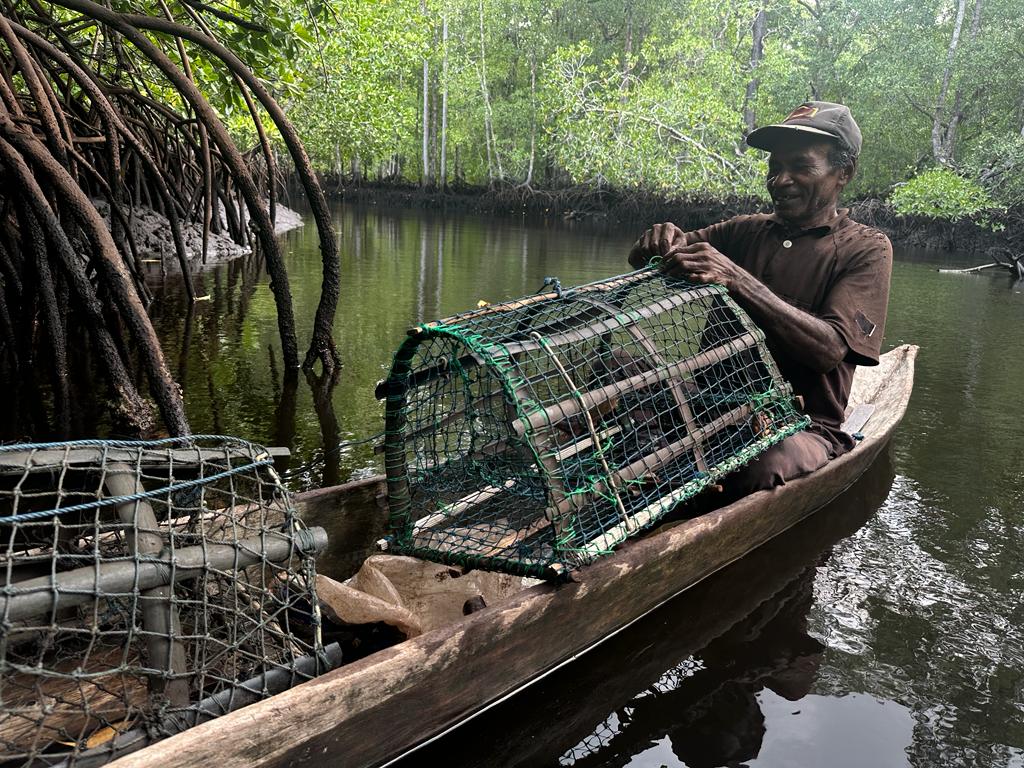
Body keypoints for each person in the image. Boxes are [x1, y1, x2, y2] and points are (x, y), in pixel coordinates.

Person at [627, 101, 892, 495]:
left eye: (800, 167)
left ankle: (688, 486)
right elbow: (650, 258)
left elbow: (829, 350)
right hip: (707, 405)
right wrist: (655, 242)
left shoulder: (866, 248)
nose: (780, 180)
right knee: (620, 368)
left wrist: (737, 279)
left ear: (844, 172)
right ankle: (658, 470)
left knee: (761, 463)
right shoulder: (744, 231)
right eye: (775, 167)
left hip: (801, 424)